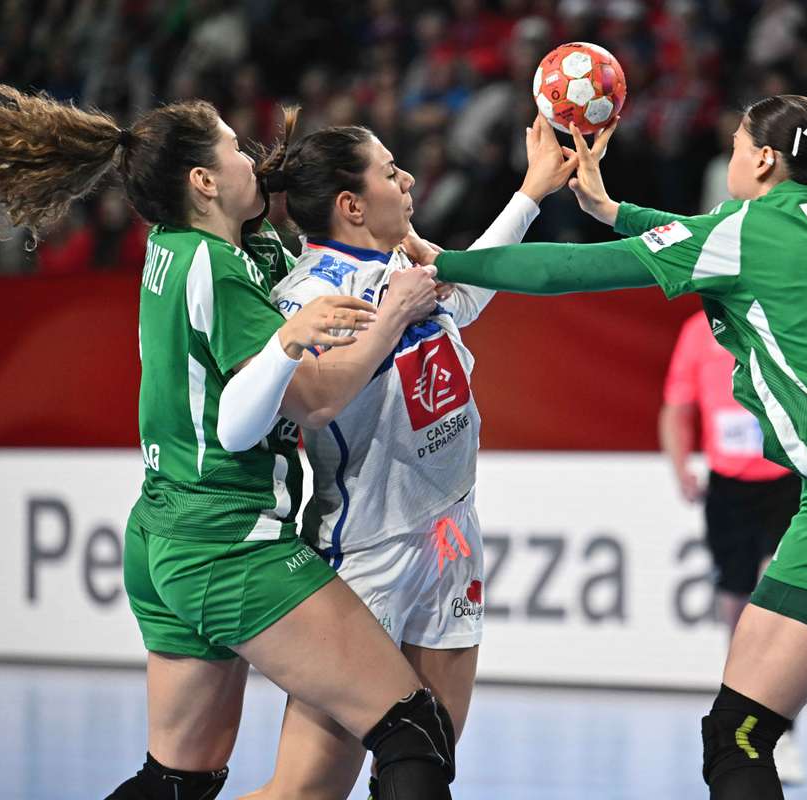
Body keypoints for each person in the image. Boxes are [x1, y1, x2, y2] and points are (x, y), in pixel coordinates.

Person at [0, 78, 461, 800]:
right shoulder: (216, 269)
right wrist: (391, 317)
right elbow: (314, 397)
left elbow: (275, 253)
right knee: (412, 729)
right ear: (202, 180)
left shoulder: (180, 242)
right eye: (234, 149)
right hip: (228, 542)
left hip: (161, 538)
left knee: (177, 784)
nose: (253, 157)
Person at [418, 94, 807, 799]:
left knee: (739, 734)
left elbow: (568, 271)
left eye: (733, 145)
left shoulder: (750, 230)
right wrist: (617, 212)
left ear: (762, 159)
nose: (727, 158)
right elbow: (709, 237)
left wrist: (447, 261)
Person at [240, 114, 576, 800]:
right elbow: (313, 403)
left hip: (450, 534)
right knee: (306, 791)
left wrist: (532, 192)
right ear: (351, 205)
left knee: (426, 767)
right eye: (390, 171)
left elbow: (468, 297)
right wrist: (393, 313)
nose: (409, 179)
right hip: (368, 552)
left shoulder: (402, 259)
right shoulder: (307, 298)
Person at [660, 309, 807, 785]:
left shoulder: (774, 317)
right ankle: (749, 709)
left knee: (775, 597)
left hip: (784, 478)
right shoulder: (696, 332)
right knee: (736, 608)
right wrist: (680, 465)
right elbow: (676, 406)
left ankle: (781, 729)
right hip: (728, 486)